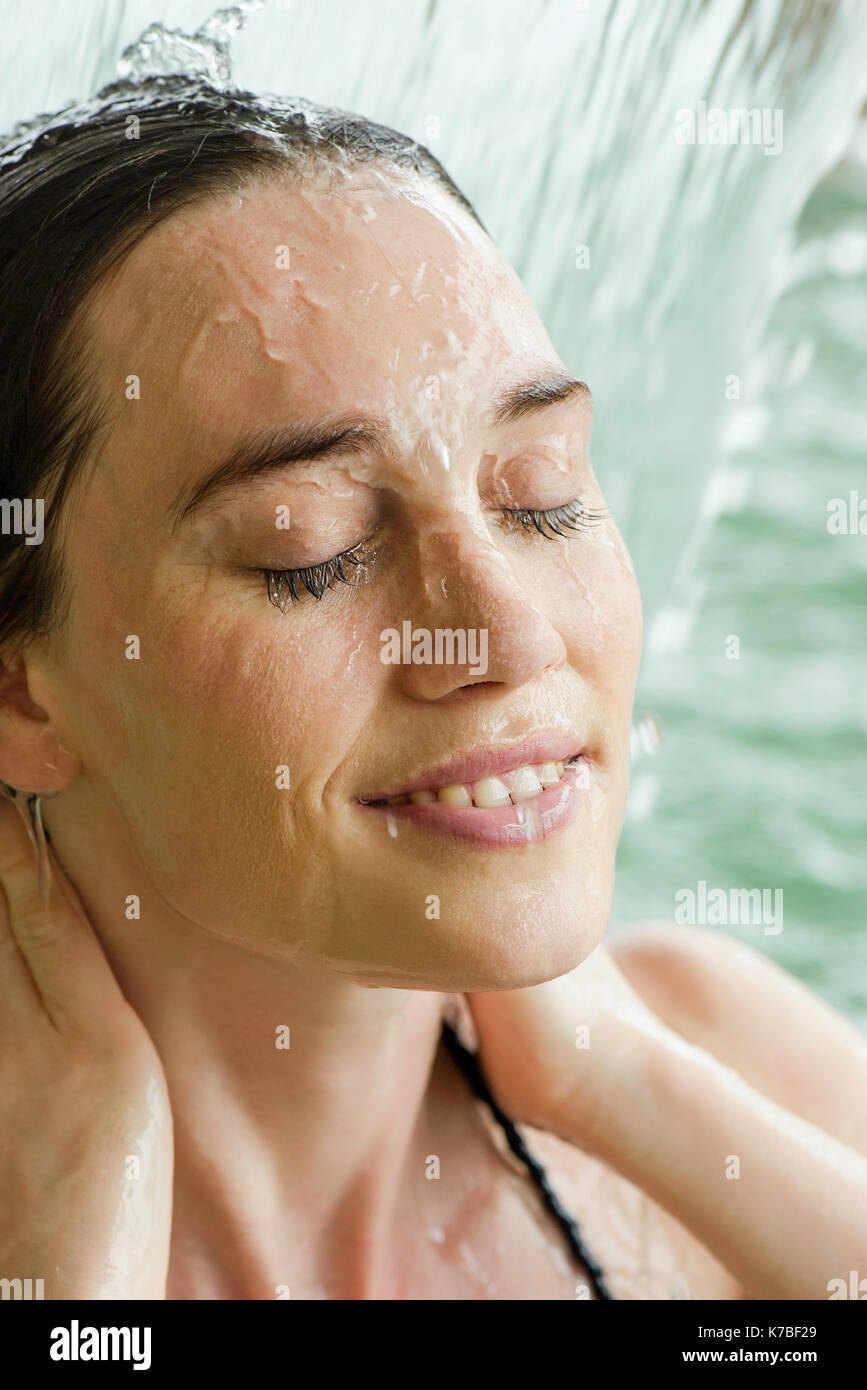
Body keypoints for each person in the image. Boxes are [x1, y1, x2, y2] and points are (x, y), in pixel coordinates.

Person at [0, 77, 865, 1302]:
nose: (506, 635)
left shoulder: (726, 1062)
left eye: (543, 488)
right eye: (311, 549)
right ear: (21, 693)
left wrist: (623, 1088)